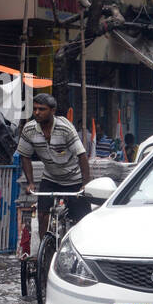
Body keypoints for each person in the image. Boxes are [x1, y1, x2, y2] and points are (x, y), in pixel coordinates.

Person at [18, 93, 92, 233]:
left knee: (82, 219)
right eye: (34, 109)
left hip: (73, 179)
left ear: (52, 111)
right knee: (42, 214)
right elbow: (25, 156)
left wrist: (86, 184)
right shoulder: (29, 129)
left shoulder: (65, 129)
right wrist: (31, 183)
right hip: (50, 178)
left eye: (41, 109)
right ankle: (45, 250)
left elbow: (82, 156)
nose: (37, 112)